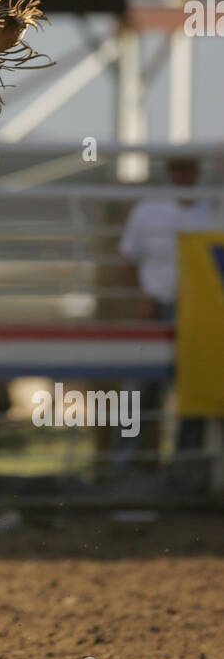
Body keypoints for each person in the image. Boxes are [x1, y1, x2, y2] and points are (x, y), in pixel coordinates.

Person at [119, 154, 217, 471]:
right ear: (170, 172)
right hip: (159, 305)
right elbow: (129, 260)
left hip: (200, 311)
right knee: (140, 388)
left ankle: (183, 468)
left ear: (196, 171)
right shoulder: (149, 210)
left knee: (193, 389)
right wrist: (143, 297)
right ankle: (126, 465)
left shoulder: (210, 209)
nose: (183, 174)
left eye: (188, 167)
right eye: (178, 167)